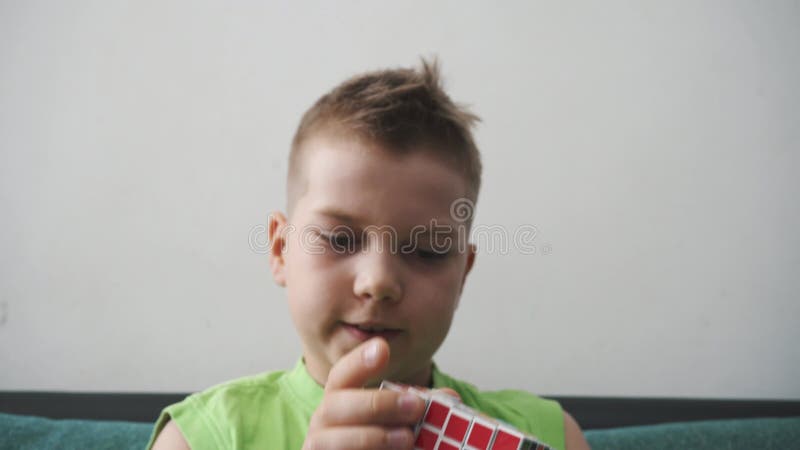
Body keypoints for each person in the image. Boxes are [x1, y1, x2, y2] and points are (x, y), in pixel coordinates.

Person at [148, 58, 590, 450]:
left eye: (426, 250)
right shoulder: (204, 437)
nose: (378, 281)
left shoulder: (551, 435)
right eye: (339, 240)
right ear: (282, 250)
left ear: (463, 275)